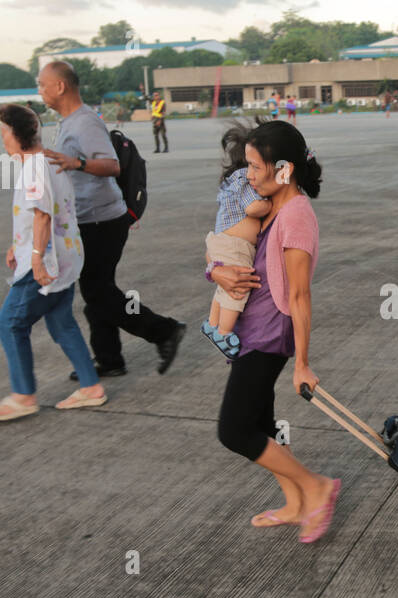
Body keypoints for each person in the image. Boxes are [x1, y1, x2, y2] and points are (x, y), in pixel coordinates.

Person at [209, 120, 340, 544]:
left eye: (254, 165)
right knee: (260, 422)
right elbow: (231, 247)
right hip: (252, 331)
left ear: (281, 168)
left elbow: (300, 296)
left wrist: (302, 363)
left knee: (234, 430)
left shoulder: (297, 215)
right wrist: (217, 271)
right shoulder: (271, 206)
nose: (248, 174)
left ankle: (316, 486)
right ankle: (295, 502)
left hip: (269, 336)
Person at [36, 60, 186, 381]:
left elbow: (111, 165)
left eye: (42, 85)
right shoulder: (70, 122)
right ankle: (109, 358)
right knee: (97, 291)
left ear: (60, 86)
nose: (40, 91)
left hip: (102, 222)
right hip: (90, 220)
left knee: (100, 293)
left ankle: (164, 331)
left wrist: (75, 162)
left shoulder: (84, 122)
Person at [0, 104, 106, 421]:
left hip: (48, 259)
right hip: (66, 255)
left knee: (9, 324)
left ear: (16, 134)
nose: (2, 140)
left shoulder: (35, 168)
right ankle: (91, 387)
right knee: (61, 321)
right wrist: (17, 244)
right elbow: (39, 212)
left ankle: (23, 395)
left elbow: (42, 215)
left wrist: (36, 258)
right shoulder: (49, 161)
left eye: (3, 133)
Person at [202, 123, 272, 357]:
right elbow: (252, 208)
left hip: (222, 242)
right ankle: (223, 332)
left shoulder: (233, 179)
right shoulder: (244, 177)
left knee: (224, 288)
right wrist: (268, 205)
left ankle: (212, 325)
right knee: (237, 290)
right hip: (234, 245)